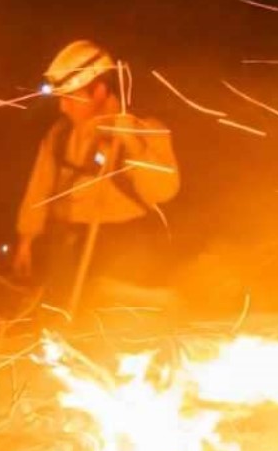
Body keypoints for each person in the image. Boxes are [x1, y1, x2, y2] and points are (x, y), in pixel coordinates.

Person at [13, 40, 178, 307]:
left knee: (108, 324)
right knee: (58, 324)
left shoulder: (145, 129)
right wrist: (26, 240)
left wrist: (133, 144)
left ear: (99, 90)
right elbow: (39, 188)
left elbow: (164, 190)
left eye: (70, 97)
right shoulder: (60, 135)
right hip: (67, 249)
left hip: (123, 252)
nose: (63, 107)